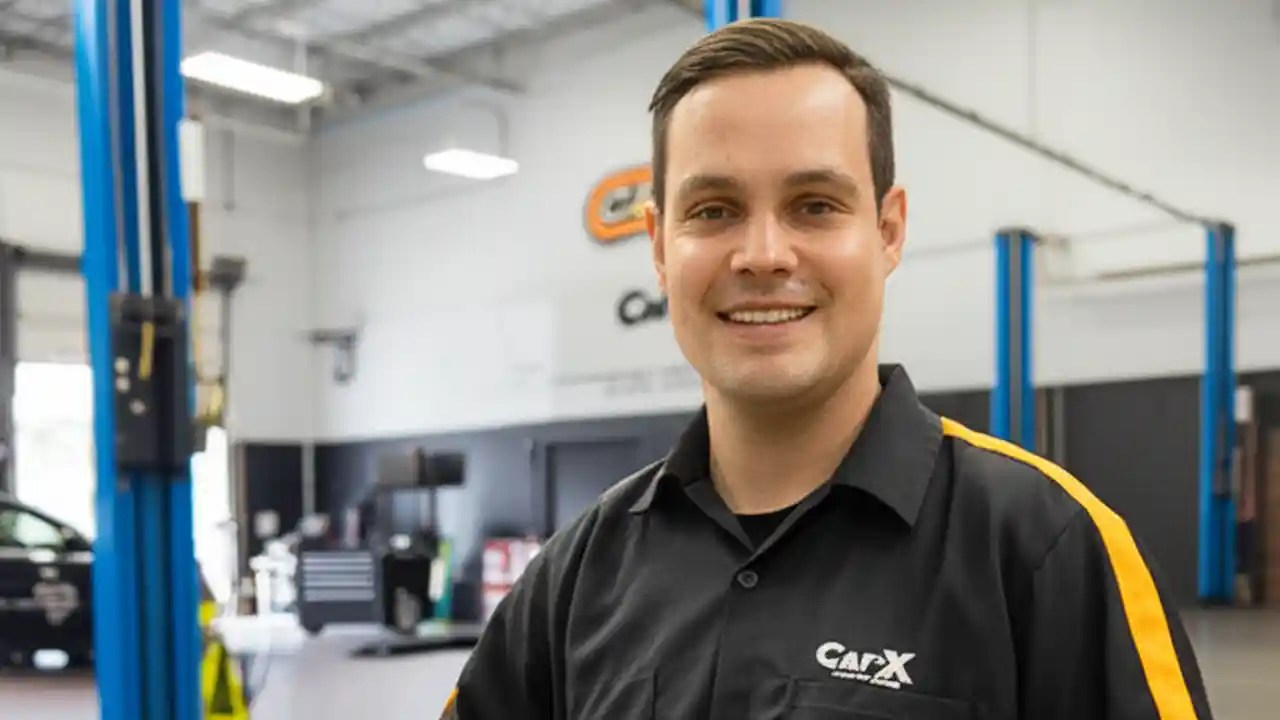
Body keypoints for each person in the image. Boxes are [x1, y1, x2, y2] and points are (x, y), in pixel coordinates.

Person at [441, 18, 1212, 720]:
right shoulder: (575, 578)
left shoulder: (1050, 551)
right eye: (713, 210)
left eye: (814, 205)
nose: (764, 255)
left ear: (887, 231)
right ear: (657, 245)